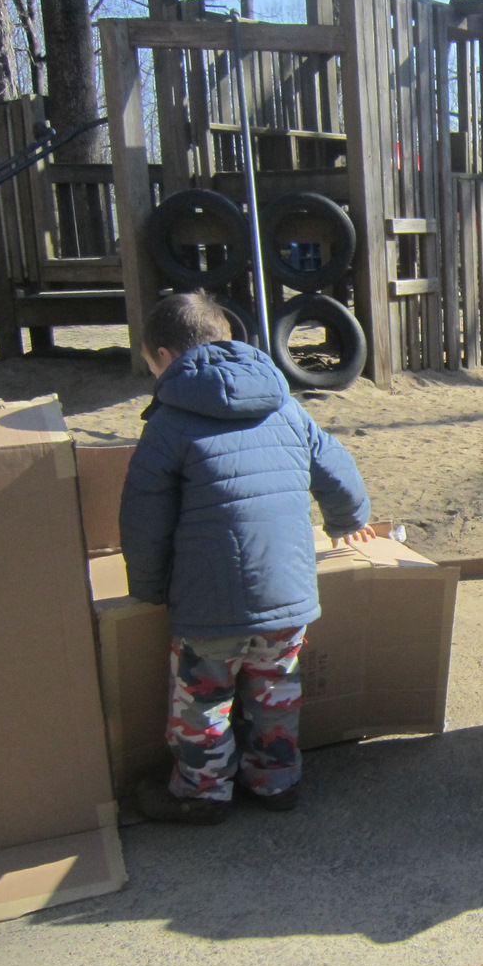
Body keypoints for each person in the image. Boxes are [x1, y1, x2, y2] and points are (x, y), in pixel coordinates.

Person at [120, 291, 373, 825]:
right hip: (287, 593)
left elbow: (143, 516)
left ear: (164, 356)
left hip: (208, 603)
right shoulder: (284, 404)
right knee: (276, 689)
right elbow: (338, 469)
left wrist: (145, 587)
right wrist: (347, 521)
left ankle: (200, 792)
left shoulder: (168, 422)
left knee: (203, 701)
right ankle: (276, 782)